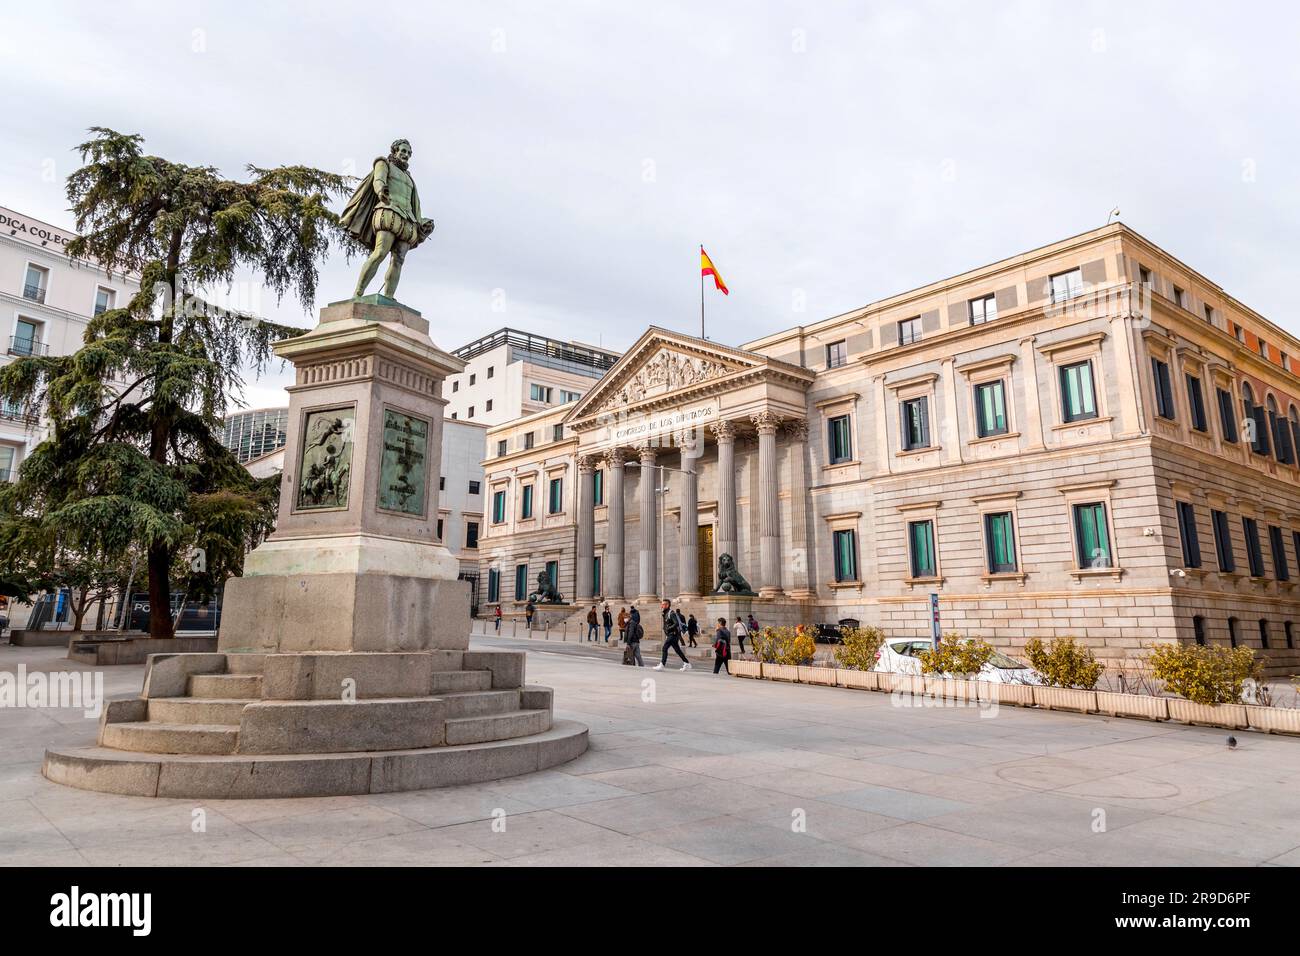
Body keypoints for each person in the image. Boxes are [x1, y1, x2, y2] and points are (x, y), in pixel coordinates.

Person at [654, 600, 691, 671]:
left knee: (664, 648)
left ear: (667, 605)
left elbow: (676, 623)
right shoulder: (665, 613)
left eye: (663, 604)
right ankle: (687, 663)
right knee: (677, 650)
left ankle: (662, 664)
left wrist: (668, 628)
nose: (662, 606)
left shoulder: (671, 613)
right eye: (661, 604)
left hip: (673, 634)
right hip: (672, 635)